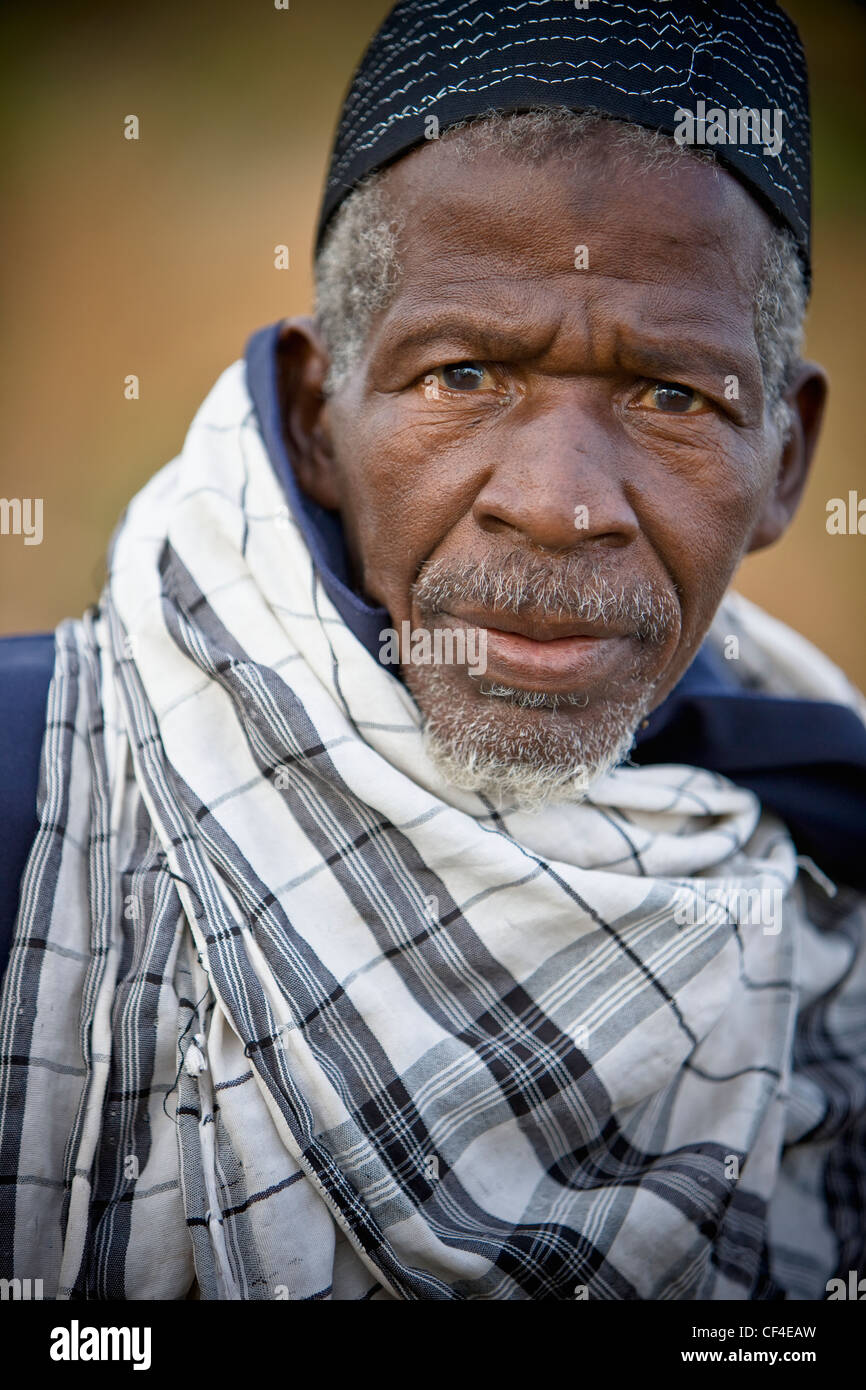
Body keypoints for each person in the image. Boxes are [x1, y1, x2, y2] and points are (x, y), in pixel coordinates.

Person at [1, 0, 864, 1301]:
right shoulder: (28, 793)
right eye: (463, 375)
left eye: (670, 395)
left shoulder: (824, 881)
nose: (562, 503)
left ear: (783, 459)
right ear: (312, 418)